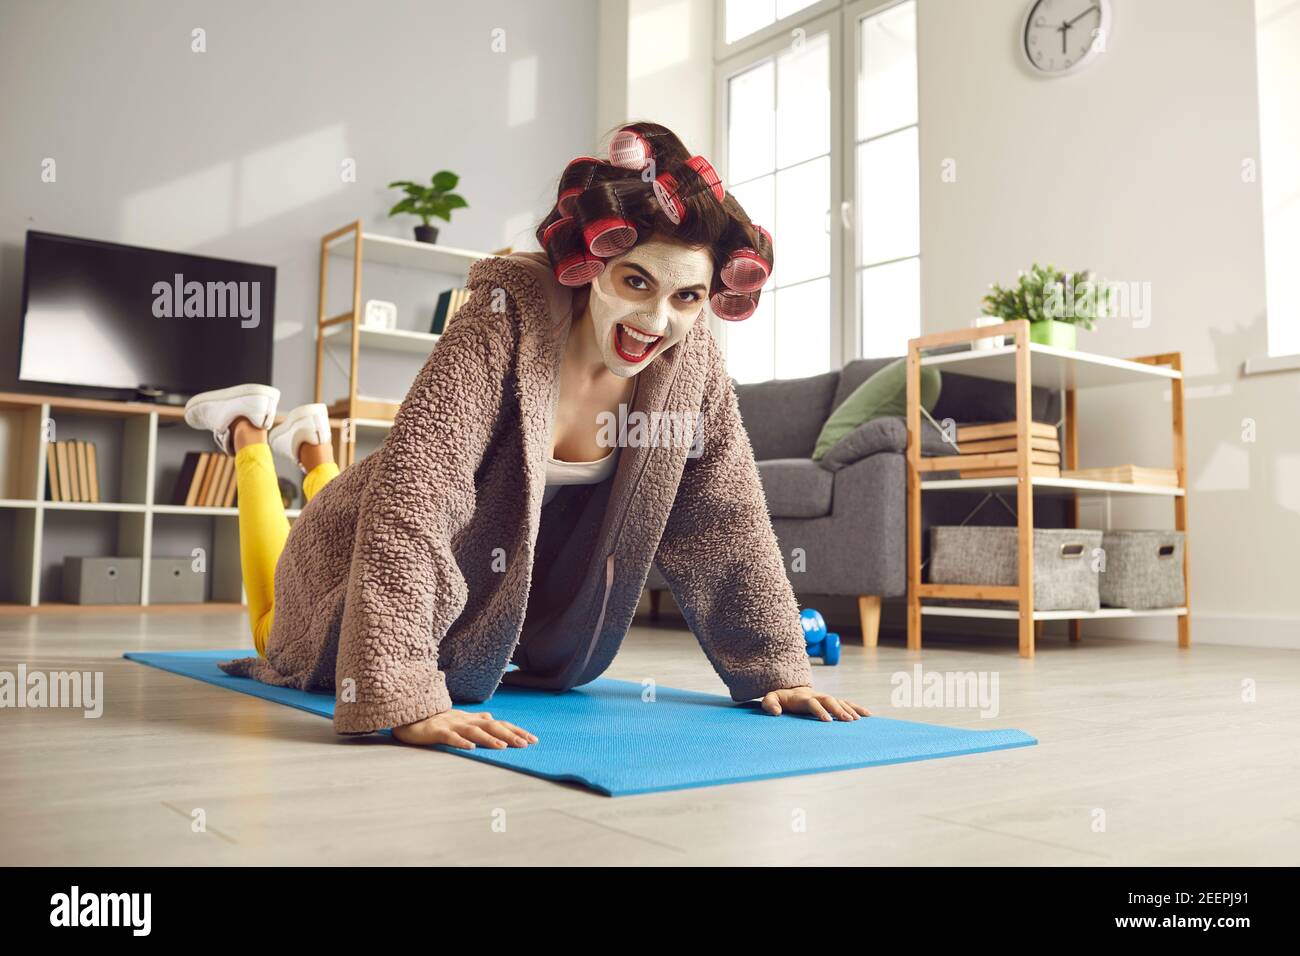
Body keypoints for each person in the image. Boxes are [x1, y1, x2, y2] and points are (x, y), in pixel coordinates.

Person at [183, 121, 869, 752]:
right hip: (349, 548)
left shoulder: (691, 366)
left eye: (686, 297)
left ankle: (310, 447)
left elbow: (724, 520)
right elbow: (419, 495)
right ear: (590, 265)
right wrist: (403, 690)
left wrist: (778, 665)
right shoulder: (501, 322)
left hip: (435, 559)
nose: (655, 321)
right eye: (636, 281)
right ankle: (247, 433)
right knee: (277, 623)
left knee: (345, 490)